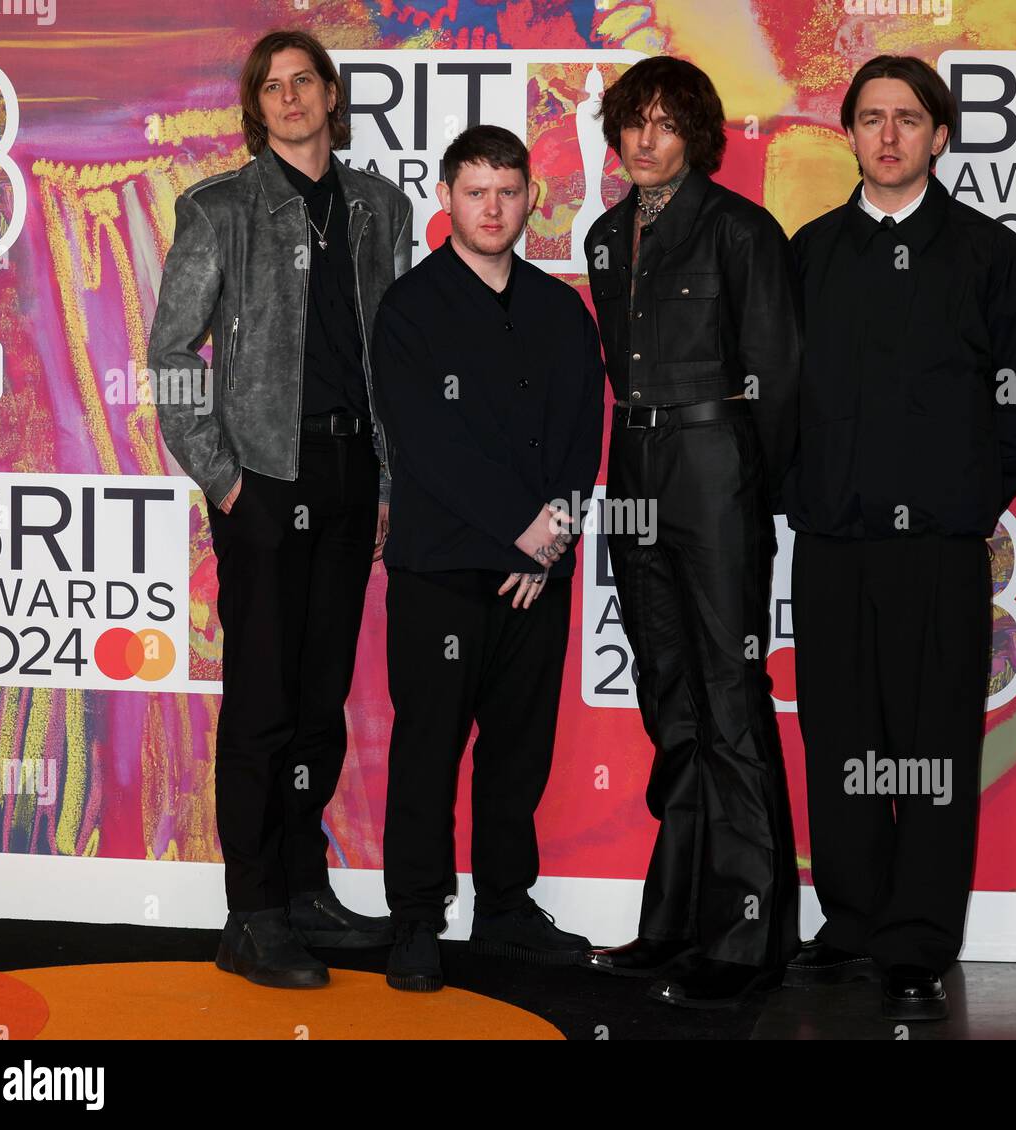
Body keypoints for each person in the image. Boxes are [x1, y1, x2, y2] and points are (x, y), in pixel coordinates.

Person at [785, 54, 1016, 1020]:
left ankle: (918, 938)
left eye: (908, 118)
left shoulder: (989, 255)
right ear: (849, 134)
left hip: (940, 552)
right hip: (830, 547)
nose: (889, 135)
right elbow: (774, 400)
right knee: (843, 741)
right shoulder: (809, 253)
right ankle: (853, 922)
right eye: (870, 118)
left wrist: (966, 501)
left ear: (940, 135)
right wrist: (803, 494)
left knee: (932, 750)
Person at [149, 29, 412, 989]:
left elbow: (394, 350)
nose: (292, 98)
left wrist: (386, 479)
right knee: (261, 703)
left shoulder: (381, 208)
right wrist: (219, 476)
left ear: (332, 94)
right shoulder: (218, 208)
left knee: (318, 700)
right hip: (263, 479)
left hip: (352, 474)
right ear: (256, 107)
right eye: (273, 86)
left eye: (306, 81)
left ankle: (303, 886)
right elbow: (175, 357)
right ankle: (251, 913)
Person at [579, 55, 802, 1009]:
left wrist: (756, 495)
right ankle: (673, 922)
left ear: (698, 137)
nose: (645, 139)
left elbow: (782, 379)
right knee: (669, 699)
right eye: (633, 121)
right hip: (630, 470)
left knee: (727, 693)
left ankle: (750, 934)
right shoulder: (600, 237)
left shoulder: (743, 230)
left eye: (666, 123)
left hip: (715, 470)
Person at [371, 125, 604, 993]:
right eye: (477, 191)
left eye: (508, 190)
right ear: (447, 201)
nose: (494, 207)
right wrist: (528, 531)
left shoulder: (560, 309)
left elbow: (585, 436)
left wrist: (551, 541)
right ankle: (416, 922)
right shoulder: (410, 310)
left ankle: (505, 907)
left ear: (531, 199)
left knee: (520, 750)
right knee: (428, 748)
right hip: (442, 573)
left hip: (536, 577)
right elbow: (430, 446)